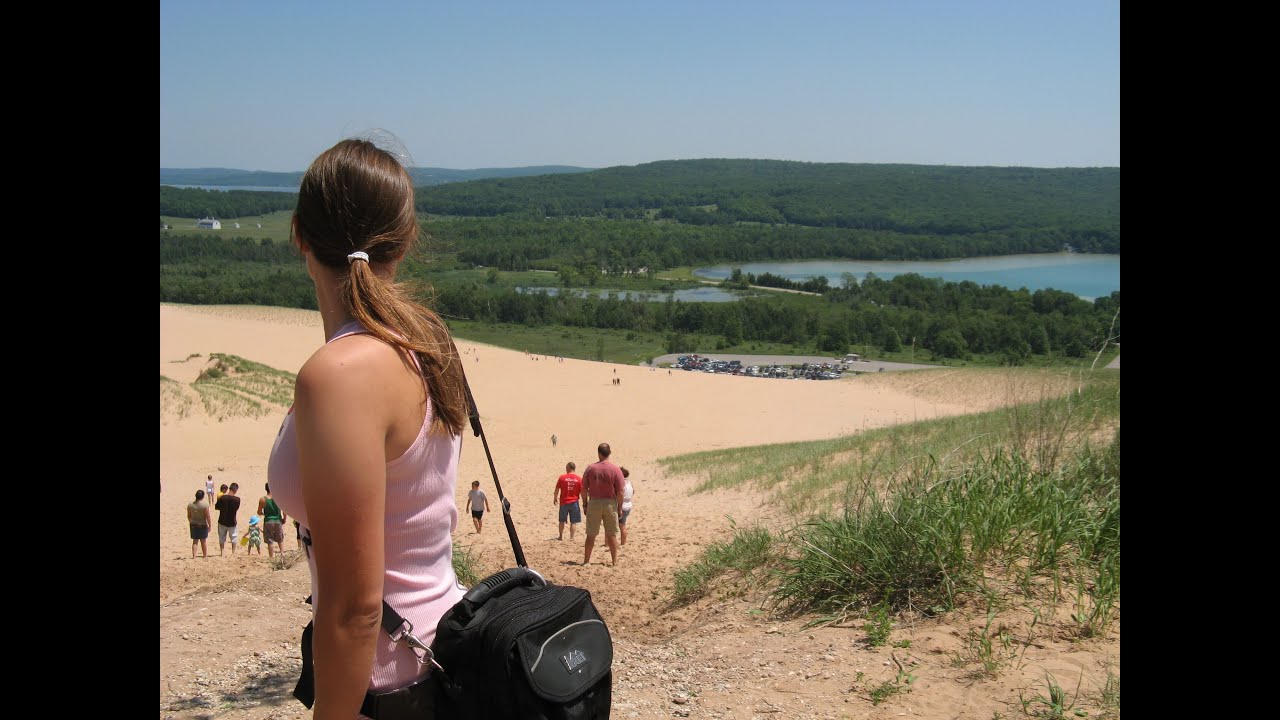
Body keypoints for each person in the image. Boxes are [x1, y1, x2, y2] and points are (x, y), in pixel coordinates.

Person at [266, 136, 470, 718]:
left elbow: (356, 608)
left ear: (299, 234)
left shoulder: (341, 374)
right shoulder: (422, 342)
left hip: (389, 681)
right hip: (441, 648)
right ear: (401, 244)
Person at [581, 442, 626, 566]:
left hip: (594, 502)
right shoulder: (615, 469)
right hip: (610, 503)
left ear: (599, 453)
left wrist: (584, 504)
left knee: (591, 534)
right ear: (609, 453)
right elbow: (620, 491)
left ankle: (586, 561)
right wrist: (619, 507)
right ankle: (614, 561)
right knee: (611, 534)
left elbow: (583, 489)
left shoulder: (590, 468)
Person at [553, 462, 583, 541]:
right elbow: (582, 491)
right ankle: (572, 537)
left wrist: (555, 498)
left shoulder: (562, 478)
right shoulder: (579, 479)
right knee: (573, 522)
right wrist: (584, 502)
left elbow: (557, 489)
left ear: (568, 468)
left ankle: (560, 536)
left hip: (564, 502)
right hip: (574, 502)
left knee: (561, 520)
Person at [257, 483, 288, 558]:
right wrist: (284, 519)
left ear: (266, 489)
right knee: (280, 539)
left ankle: (271, 557)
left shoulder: (263, 499)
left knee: (270, 540)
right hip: (278, 520)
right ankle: (282, 554)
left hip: (268, 521)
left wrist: (263, 513)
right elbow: (284, 511)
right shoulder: (279, 498)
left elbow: (259, 512)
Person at [214, 482, 241, 556]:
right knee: (234, 537)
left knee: (221, 537)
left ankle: (222, 552)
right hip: (232, 521)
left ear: (229, 488)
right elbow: (236, 509)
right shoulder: (237, 499)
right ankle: (233, 552)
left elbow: (216, 507)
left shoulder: (222, 498)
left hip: (222, 520)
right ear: (236, 490)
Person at [187, 489, 213, 559]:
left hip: (193, 524)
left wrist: (191, 521)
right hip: (202, 524)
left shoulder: (190, 505)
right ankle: (204, 556)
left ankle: (194, 556)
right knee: (203, 541)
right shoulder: (205, 505)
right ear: (203, 496)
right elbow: (208, 516)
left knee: (195, 541)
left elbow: (188, 516)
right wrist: (210, 525)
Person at [619, 467, 635, 546]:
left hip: (621, 506)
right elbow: (633, 492)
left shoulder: (621, 483)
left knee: (618, 526)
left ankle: (607, 544)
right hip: (628, 505)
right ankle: (623, 543)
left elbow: (620, 494)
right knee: (623, 524)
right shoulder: (629, 482)